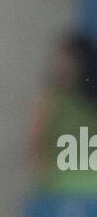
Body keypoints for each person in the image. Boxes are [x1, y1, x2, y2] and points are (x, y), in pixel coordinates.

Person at [27, 31, 97, 194]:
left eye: (67, 60)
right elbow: (33, 148)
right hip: (60, 187)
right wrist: (47, 181)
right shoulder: (48, 100)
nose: (59, 65)